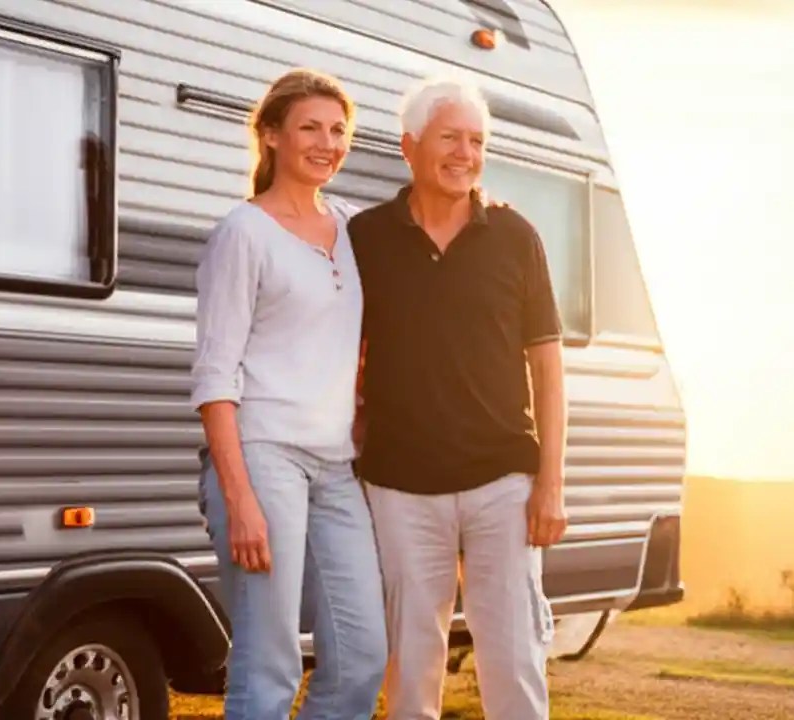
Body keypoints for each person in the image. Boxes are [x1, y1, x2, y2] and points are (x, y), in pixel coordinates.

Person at [349, 75, 570, 720]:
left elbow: (549, 371)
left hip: (502, 483)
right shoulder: (365, 238)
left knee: (514, 663)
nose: (465, 154)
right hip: (399, 486)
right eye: (450, 138)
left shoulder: (516, 237)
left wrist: (551, 482)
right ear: (409, 147)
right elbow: (338, 344)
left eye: (477, 141)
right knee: (412, 670)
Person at [190, 68, 387, 720]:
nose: (328, 142)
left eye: (339, 130)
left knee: (362, 658)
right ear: (271, 135)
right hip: (261, 457)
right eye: (310, 127)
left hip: (336, 469)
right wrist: (239, 497)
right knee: (268, 663)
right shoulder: (243, 233)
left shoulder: (355, 229)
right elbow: (215, 376)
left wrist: (482, 203)